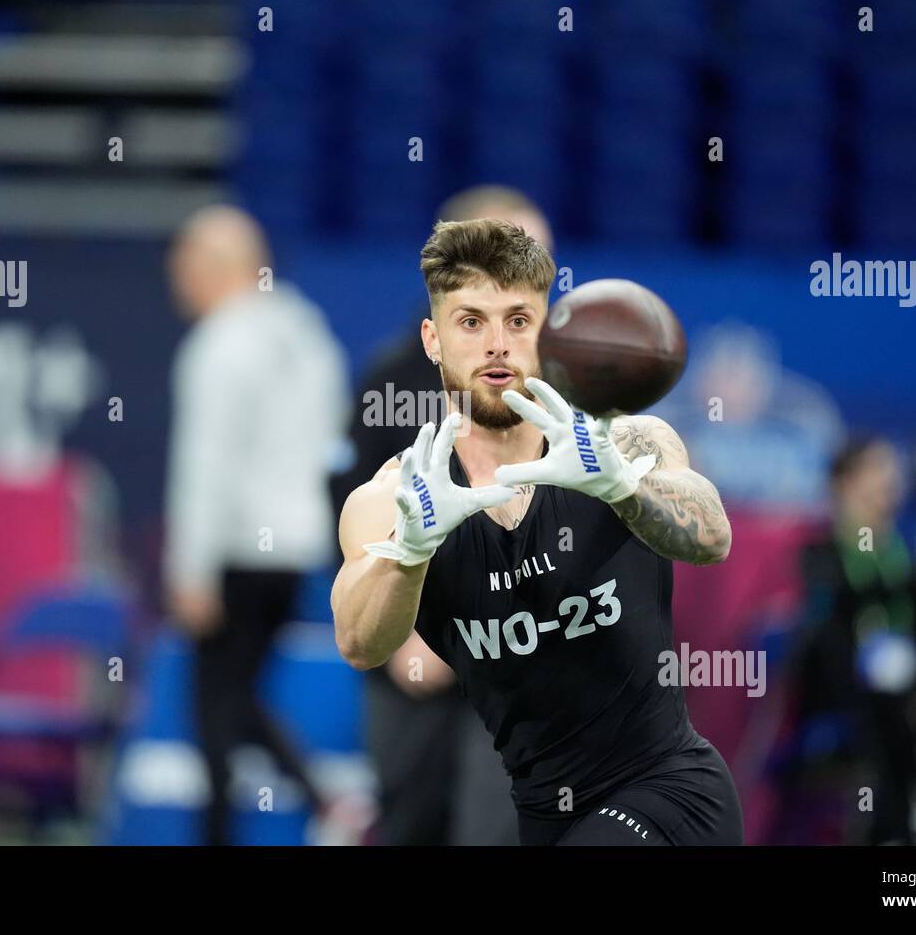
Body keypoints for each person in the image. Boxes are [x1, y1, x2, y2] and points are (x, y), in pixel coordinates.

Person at [331, 218, 742, 845]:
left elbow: (712, 537)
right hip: (546, 818)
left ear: (545, 335)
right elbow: (360, 642)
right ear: (432, 338)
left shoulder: (619, 442)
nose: (497, 344)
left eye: (518, 321)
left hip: (670, 793)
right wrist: (408, 554)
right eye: (471, 322)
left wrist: (621, 487)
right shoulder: (391, 501)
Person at [335, 186, 553, 846]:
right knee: (411, 825)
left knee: (500, 829)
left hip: (522, 663)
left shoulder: (560, 389)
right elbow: (348, 512)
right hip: (417, 668)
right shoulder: (394, 380)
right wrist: (404, 642)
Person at [163, 205, 351, 845]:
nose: (175, 275)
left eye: (184, 261)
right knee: (237, 696)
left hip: (237, 548)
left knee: (215, 707)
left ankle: (232, 834)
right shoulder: (306, 334)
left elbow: (206, 463)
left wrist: (190, 568)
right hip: (294, 548)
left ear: (216, 268)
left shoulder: (219, 344)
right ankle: (329, 805)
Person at [779, 438, 916, 845]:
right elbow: (820, 639)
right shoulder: (818, 554)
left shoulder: (903, 556)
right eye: (877, 471)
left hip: (898, 726)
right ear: (845, 483)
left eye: (893, 472)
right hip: (838, 726)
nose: (890, 482)